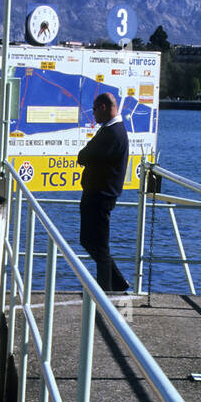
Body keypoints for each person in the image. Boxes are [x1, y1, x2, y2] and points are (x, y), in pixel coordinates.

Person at [77, 91, 131, 293]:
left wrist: (86, 154)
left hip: (101, 195)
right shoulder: (112, 130)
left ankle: (106, 290)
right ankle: (117, 283)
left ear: (103, 107)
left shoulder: (112, 133)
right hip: (98, 193)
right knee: (89, 241)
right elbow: (88, 155)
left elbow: (84, 156)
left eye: (94, 110)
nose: (93, 115)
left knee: (99, 246)